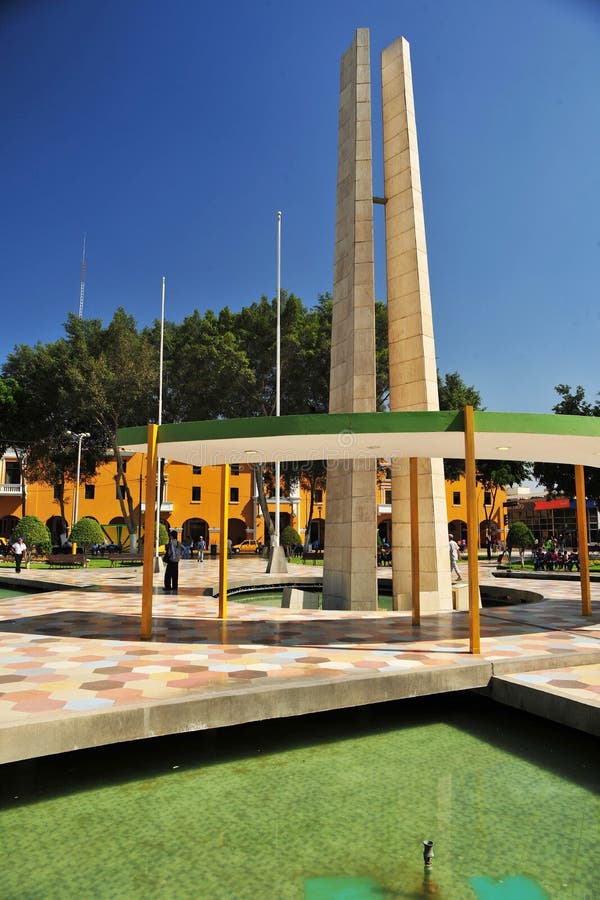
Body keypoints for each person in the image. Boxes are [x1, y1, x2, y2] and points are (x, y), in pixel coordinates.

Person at [163, 529, 183, 593]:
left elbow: (169, 552)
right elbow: (182, 550)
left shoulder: (170, 543)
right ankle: (174, 587)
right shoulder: (179, 543)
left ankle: (168, 587)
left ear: (171, 536)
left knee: (168, 575)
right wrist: (179, 557)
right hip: (176, 561)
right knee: (175, 575)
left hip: (171, 561)